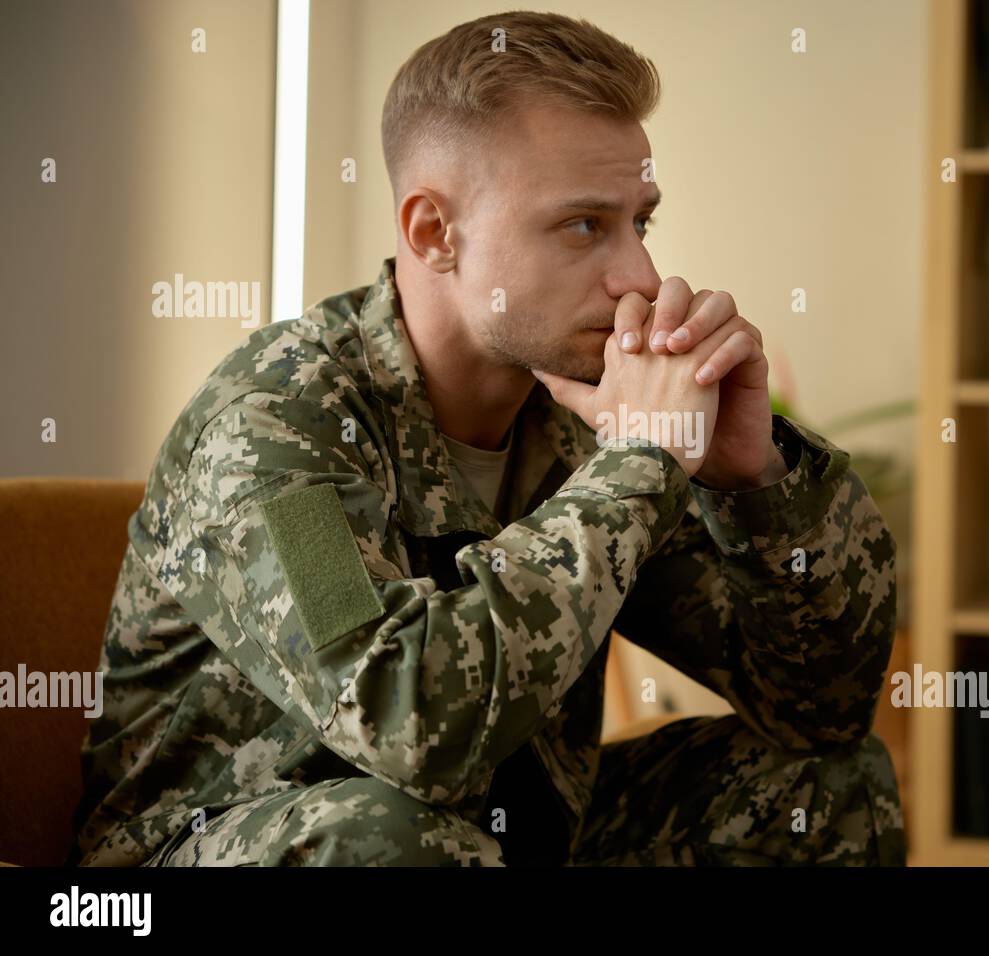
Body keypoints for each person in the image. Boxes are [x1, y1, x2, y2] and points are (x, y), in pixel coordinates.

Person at [69, 9, 904, 867]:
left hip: (505, 840)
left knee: (823, 783)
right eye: (584, 225)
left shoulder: (591, 418)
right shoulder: (271, 429)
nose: (643, 278)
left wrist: (751, 478)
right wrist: (643, 463)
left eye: (639, 223)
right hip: (238, 850)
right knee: (382, 840)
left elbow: (821, 711)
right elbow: (404, 717)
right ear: (434, 232)